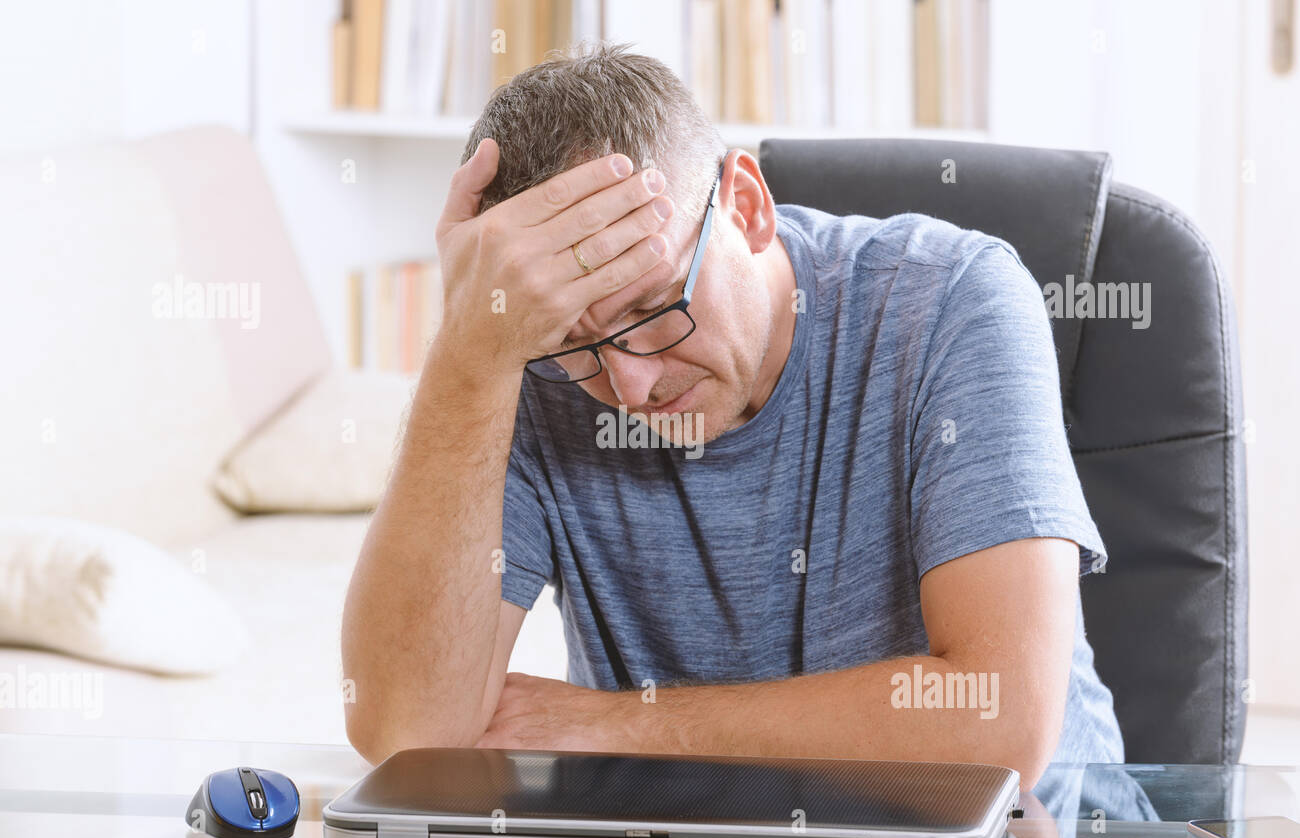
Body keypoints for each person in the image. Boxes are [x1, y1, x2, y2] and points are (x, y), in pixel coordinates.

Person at [341, 43, 1124, 788]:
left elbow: (999, 718)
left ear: (746, 205)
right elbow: (406, 732)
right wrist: (468, 357)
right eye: (577, 346)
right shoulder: (527, 362)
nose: (631, 381)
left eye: (655, 308)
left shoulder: (955, 301)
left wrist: (619, 727)